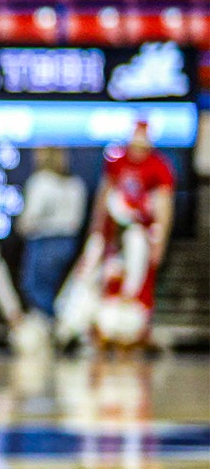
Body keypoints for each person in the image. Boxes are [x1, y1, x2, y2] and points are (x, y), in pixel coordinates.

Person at [69, 122, 175, 348]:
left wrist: (160, 242)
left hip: (139, 234)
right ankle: (85, 326)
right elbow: (104, 195)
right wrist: (97, 228)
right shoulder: (117, 162)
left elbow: (164, 205)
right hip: (111, 237)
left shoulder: (159, 167)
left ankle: (130, 331)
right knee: (94, 277)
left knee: (135, 284)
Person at [16, 147, 86, 317]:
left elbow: (30, 217)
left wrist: (22, 226)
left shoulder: (41, 181)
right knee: (60, 290)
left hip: (44, 241)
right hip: (69, 243)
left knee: (35, 287)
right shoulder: (76, 184)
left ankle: (50, 327)